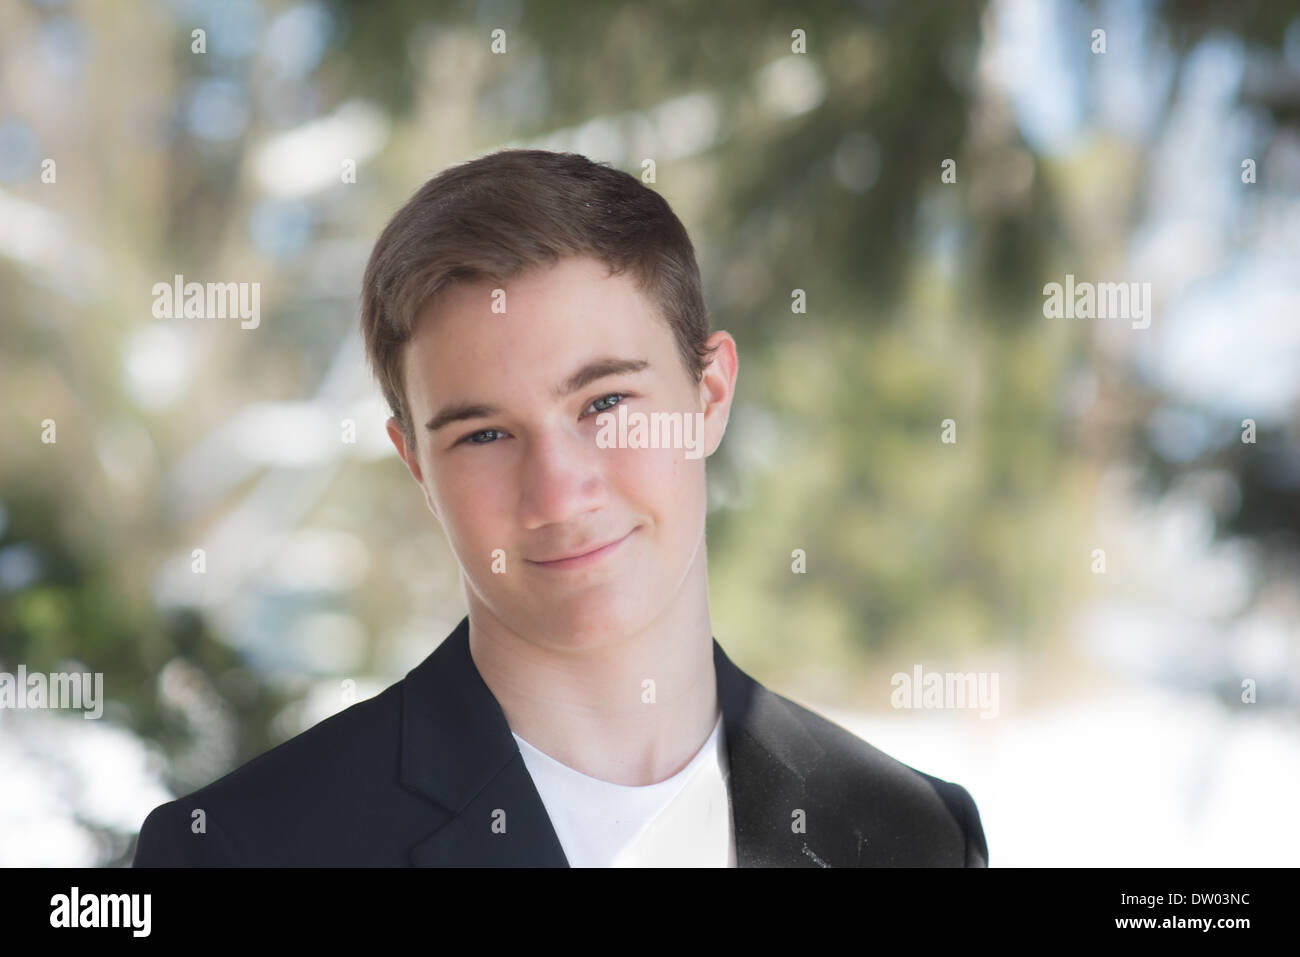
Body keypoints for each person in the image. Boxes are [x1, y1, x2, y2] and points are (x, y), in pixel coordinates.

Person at [133, 149, 988, 867]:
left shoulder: (915, 834)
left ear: (710, 394)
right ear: (417, 467)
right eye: (483, 436)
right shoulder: (241, 850)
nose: (558, 494)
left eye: (605, 403)